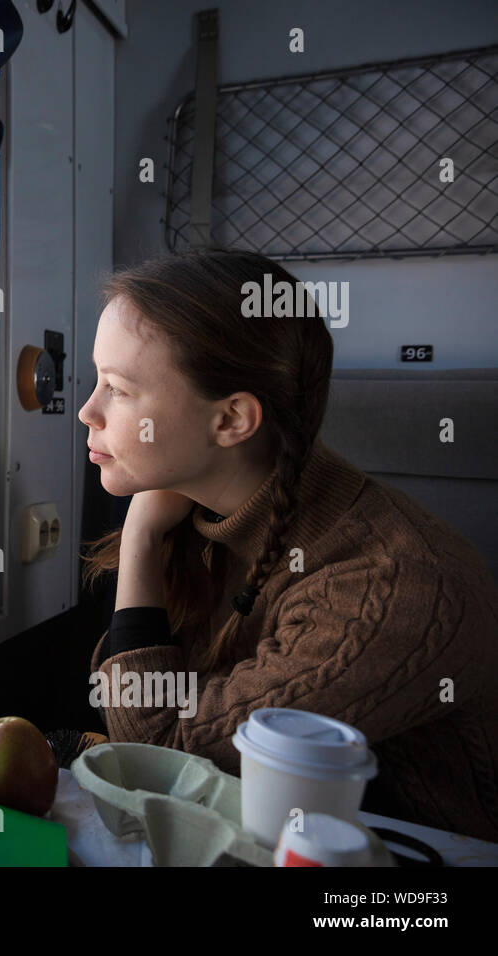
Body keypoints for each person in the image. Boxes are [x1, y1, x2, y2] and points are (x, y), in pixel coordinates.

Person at [75, 247, 498, 843]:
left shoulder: (394, 584)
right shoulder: (202, 515)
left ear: (232, 421)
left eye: (117, 388)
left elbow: (163, 763)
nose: (87, 411)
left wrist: (141, 535)